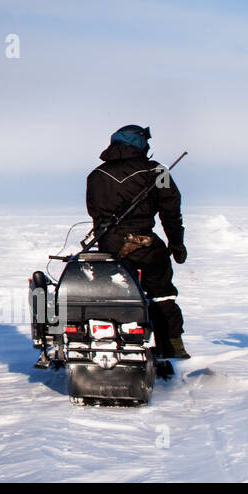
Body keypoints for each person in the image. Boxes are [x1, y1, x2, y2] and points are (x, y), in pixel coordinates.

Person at [85, 124, 190, 359]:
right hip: (146, 245)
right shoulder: (158, 172)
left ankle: (112, 342)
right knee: (161, 293)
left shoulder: (95, 176)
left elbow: (95, 215)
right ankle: (172, 347)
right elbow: (171, 211)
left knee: (114, 294)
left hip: (109, 247)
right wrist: (176, 242)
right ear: (139, 143)